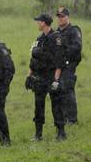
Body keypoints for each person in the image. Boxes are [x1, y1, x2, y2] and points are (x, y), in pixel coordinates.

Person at [25, 13, 66, 141]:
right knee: (38, 105)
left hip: (51, 75)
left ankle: (60, 132)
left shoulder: (56, 38)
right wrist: (29, 75)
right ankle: (38, 134)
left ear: (44, 23)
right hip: (39, 76)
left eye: (39, 21)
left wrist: (56, 80)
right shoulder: (39, 39)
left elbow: (59, 60)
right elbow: (33, 59)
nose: (37, 23)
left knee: (56, 105)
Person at [54, 6, 82, 124]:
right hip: (58, 65)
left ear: (68, 17)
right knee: (58, 90)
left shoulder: (73, 30)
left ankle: (72, 119)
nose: (60, 19)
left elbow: (77, 47)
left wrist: (64, 49)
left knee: (67, 89)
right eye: (58, 17)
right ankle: (62, 117)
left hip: (69, 64)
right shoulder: (56, 32)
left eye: (62, 16)